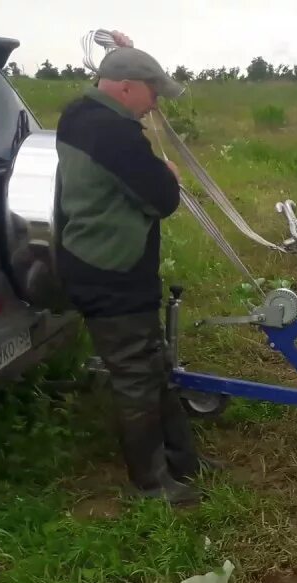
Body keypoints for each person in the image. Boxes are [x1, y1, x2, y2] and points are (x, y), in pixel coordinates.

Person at [53, 38, 203, 505]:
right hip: (112, 271)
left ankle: (183, 462)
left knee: (153, 365)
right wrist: (171, 175)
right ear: (125, 88)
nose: (155, 102)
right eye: (152, 92)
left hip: (100, 261)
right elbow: (161, 199)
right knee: (137, 376)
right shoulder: (116, 132)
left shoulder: (79, 113)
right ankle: (151, 484)